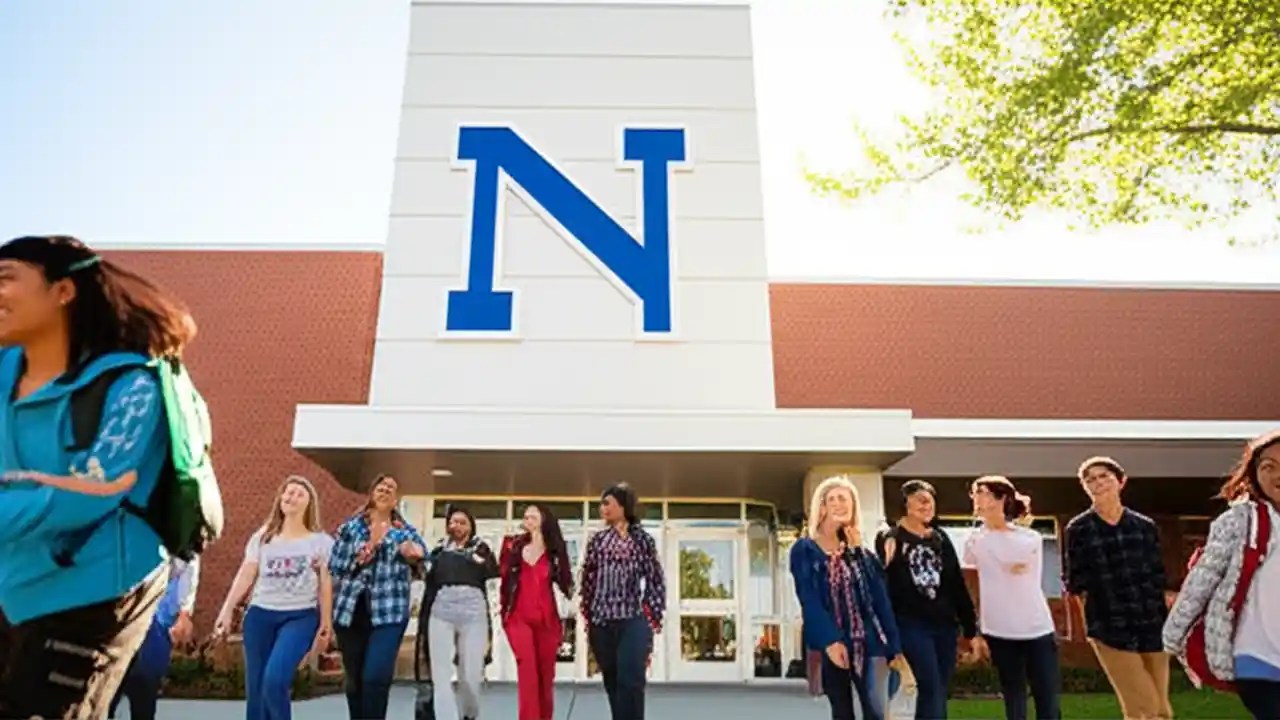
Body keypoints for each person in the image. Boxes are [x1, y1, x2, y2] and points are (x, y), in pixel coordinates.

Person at [0, 235, 194, 718]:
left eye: (5, 278)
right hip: (13, 580)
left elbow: (88, 496)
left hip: (94, 588)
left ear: (63, 291)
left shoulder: (131, 385)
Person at [1164, 431, 1280, 719]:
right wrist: (1172, 637)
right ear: (1254, 474)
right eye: (1269, 466)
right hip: (1255, 655)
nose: (1278, 474)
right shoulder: (1238, 521)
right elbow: (1203, 578)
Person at [214, 475, 334, 720]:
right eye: (288, 492)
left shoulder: (321, 542)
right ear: (280, 498)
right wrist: (227, 610)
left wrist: (326, 623)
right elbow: (246, 574)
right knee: (256, 692)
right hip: (260, 616)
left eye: (300, 493)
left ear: (309, 504)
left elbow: (325, 584)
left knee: (275, 679)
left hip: (300, 616)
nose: (292, 497)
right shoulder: (263, 538)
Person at [1063, 457, 1172, 720]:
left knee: (1161, 710)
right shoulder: (1079, 529)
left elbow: (1158, 576)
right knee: (1144, 705)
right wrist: (1086, 627)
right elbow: (1075, 582)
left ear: (1120, 482)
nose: (1097, 483)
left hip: (1152, 623)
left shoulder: (1144, 527)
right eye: (1090, 479)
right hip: (1109, 626)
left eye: (1104, 476)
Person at [791, 476, 902, 720]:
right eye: (831, 499)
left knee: (876, 712)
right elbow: (809, 599)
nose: (838, 504)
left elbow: (879, 599)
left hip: (872, 643)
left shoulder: (862, 552)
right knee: (842, 711)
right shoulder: (805, 550)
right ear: (821, 507)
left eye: (844, 498)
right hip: (834, 642)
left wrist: (894, 646)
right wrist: (830, 641)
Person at [876, 479, 977, 720]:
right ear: (905, 505)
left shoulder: (940, 538)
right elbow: (881, 585)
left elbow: (956, 583)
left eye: (930, 500)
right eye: (919, 499)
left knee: (938, 689)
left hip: (944, 625)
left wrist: (971, 629)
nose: (926, 504)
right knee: (930, 683)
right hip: (911, 624)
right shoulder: (891, 538)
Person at [962, 475, 1060, 720]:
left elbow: (1010, 560)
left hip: (1035, 628)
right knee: (1013, 695)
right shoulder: (976, 538)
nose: (977, 498)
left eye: (982, 492)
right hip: (998, 629)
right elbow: (971, 563)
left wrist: (996, 529)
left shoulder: (1028, 538)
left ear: (1001, 497)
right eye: (975, 493)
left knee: (1046, 695)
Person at [330, 474, 426, 720]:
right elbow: (336, 566)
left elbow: (424, 560)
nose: (385, 490)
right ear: (372, 494)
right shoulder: (351, 527)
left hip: (389, 613)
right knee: (355, 681)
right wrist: (370, 546)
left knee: (375, 677)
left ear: (396, 500)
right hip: (351, 612)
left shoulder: (405, 531)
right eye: (381, 487)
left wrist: (413, 554)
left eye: (391, 489)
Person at [580, 483, 666, 720]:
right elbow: (588, 579)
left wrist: (652, 617)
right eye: (601, 504)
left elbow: (655, 579)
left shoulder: (642, 541)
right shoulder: (597, 541)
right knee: (613, 683)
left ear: (622, 506)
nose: (602, 508)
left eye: (607, 503)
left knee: (631, 680)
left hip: (632, 620)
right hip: (602, 622)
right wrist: (588, 615)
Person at [422, 504, 498, 720]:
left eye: (462, 522)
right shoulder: (438, 550)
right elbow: (426, 575)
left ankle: (469, 715)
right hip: (441, 611)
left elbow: (491, 573)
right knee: (441, 674)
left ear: (471, 526)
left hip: (473, 612)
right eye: (452, 522)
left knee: (471, 674)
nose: (456, 526)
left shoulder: (481, 548)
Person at [500, 503, 574, 720]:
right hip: (518, 617)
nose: (528, 519)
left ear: (544, 520)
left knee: (545, 677)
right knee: (527, 672)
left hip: (546, 620)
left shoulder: (554, 552)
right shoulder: (513, 546)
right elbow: (503, 574)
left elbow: (566, 583)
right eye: (525, 516)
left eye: (533, 516)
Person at [108, 557, 200, 720]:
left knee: (142, 691)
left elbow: (189, 561)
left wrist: (184, 610)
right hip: (127, 615)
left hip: (151, 618)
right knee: (110, 693)